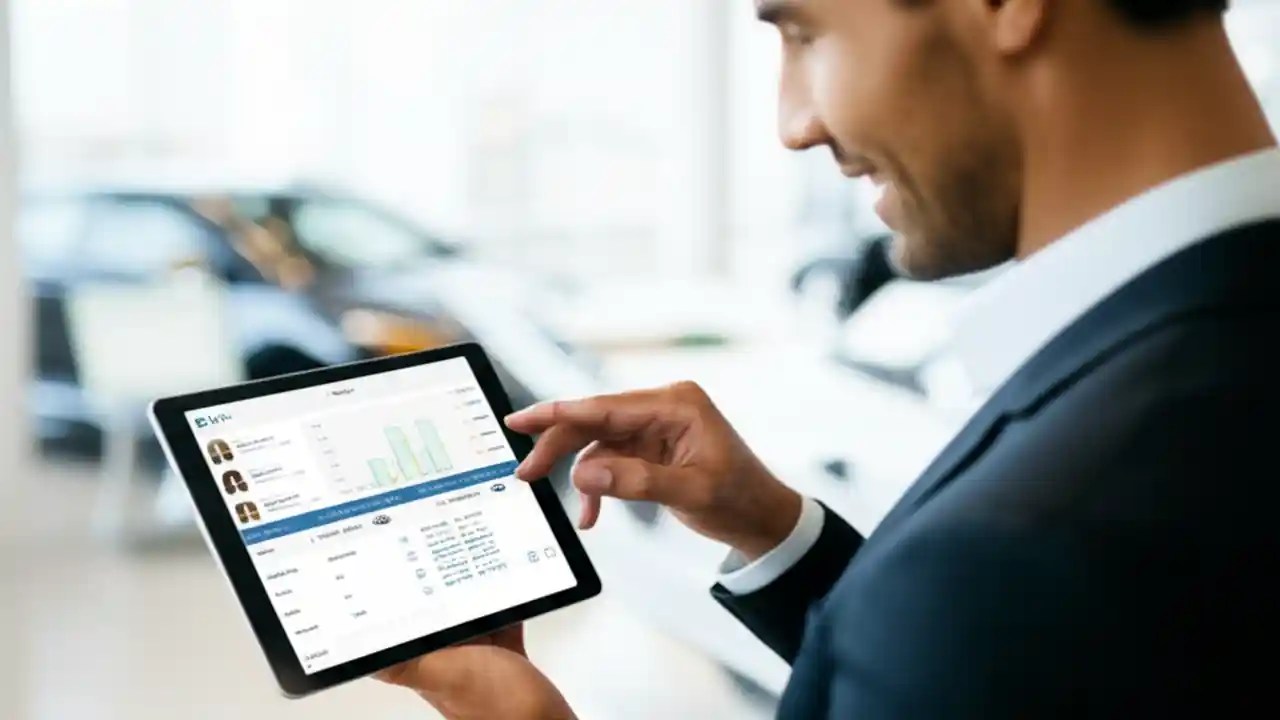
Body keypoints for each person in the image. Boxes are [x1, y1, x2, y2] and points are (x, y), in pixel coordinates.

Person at [377, 0, 1280, 717]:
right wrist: (774, 530)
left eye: (805, 31)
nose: (795, 124)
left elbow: (1004, 619)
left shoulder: (1025, 545)